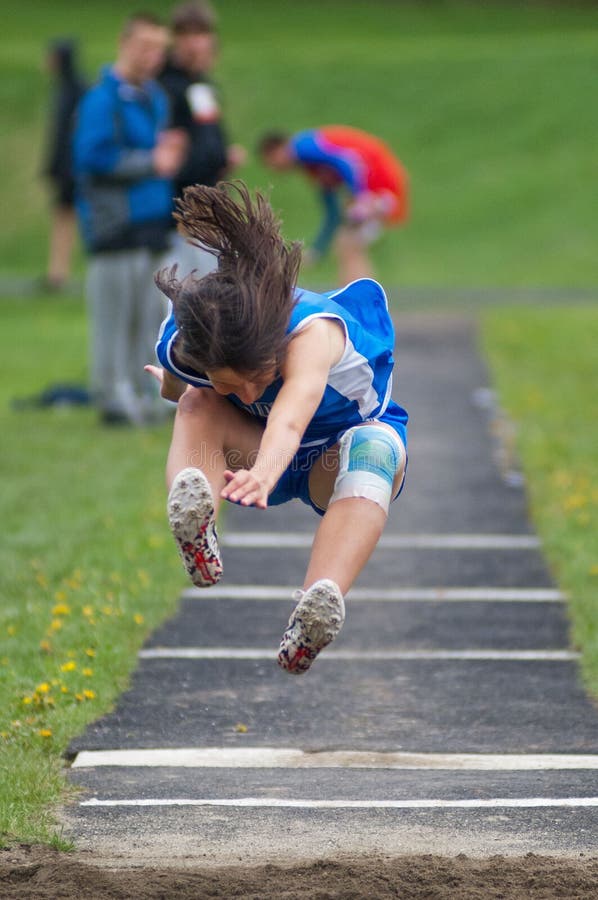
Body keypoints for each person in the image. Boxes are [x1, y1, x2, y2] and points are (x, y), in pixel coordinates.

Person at [145, 182, 408, 675]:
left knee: (375, 447)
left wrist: (266, 471)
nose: (247, 395)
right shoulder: (197, 337)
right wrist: (179, 385)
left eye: (257, 380)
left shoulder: (313, 332)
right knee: (199, 403)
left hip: (334, 454)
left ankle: (317, 603)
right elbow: (183, 389)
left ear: (274, 348)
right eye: (233, 384)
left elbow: (293, 411)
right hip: (253, 449)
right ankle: (197, 523)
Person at [73, 12, 187, 425]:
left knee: (149, 316)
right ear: (125, 44)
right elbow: (90, 158)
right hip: (114, 225)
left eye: (159, 49)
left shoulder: (155, 96)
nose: (152, 57)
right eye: (145, 47)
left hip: (151, 224)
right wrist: (150, 161)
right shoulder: (102, 99)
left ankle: (149, 390)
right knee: (113, 317)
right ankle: (112, 396)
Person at [158, 1, 246, 279]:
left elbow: (207, 137)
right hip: (178, 215)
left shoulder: (203, 86)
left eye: (202, 34)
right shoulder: (164, 87)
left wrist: (222, 156)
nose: (196, 44)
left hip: (209, 208)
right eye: (187, 35)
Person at [259, 125, 409, 285]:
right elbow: (332, 213)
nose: (273, 168)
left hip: (378, 183)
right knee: (349, 245)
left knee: (349, 245)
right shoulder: (311, 168)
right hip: (375, 188)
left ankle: (357, 300)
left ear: (277, 150)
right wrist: (317, 250)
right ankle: (357, 297)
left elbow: (346, 162)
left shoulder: (302, 148)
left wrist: (361, 198)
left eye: (270, 161)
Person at [41, 38, 87, 292]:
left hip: (73, 169)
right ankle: (57, 270)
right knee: (63, 218)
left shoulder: (74, 91)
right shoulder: (66, 88)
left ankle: (61, 271)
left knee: (71, 218)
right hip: (66, 168)